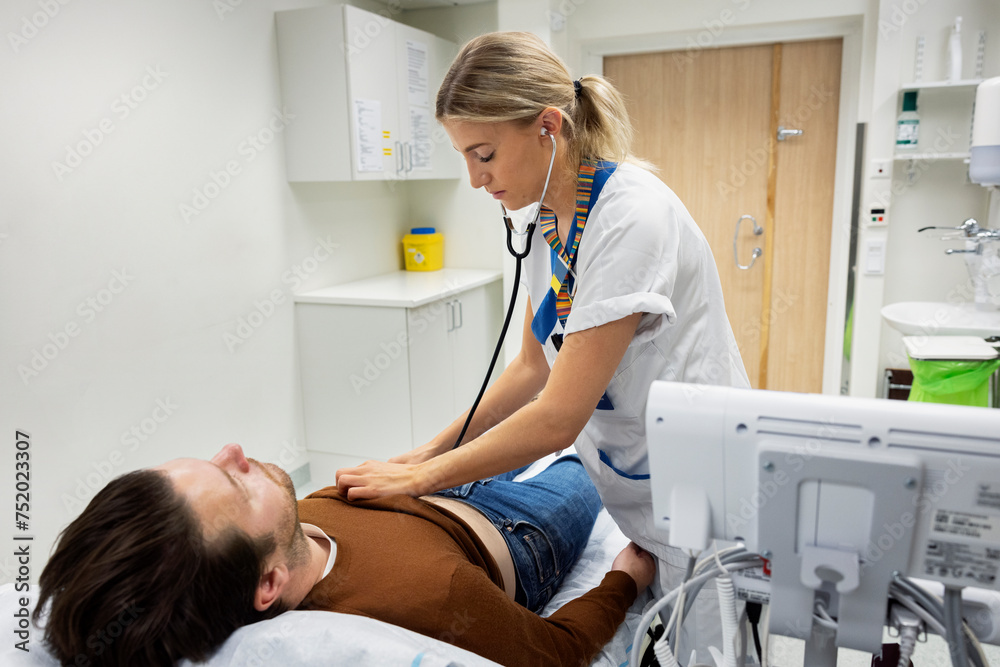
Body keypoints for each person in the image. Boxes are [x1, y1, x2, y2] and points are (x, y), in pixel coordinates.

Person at [335, 31, 750, 657]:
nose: (475, 179)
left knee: (714, 650)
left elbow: (556, 416)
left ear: (548, 127)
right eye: (465, 157)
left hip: (700, 488)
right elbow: (531, 366)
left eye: (484, 154)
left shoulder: (631, 219)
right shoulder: (545, 221)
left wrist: (421, 481)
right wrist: (416, 458)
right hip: (635, 479)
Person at [35, 443, 654, 667]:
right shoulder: (430, 601)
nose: (234, 450)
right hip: (519, 532)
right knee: (584, 452)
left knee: (527, 421)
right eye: (234, 482)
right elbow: (558, 653)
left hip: (422, 487)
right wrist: (624, 579)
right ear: (268, 586)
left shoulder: (279, 530)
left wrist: (420, 467)